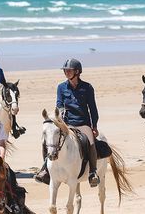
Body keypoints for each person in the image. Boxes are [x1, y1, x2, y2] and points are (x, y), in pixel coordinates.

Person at [34, 58, 101, 187]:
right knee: (47, 140)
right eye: (65, 71)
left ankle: (93, 172)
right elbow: (59, 104)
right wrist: (60, 113)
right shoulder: (61, 87)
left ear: (77, 71)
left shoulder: (87, 88)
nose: (66, 73)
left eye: (69, 71)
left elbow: (93, 109)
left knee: (91, 142)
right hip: (67, 123)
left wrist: (94, 126)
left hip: (83, 124)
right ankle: (45, 170)